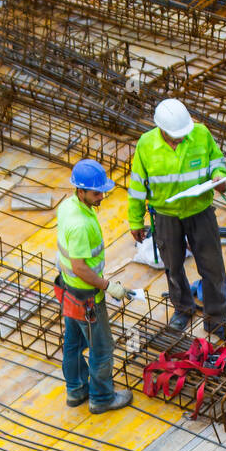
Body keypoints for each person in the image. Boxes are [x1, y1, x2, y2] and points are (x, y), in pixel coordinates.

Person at [128, 99, 226, 346]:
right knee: (173, 265)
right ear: (161, 129)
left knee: (212, 267)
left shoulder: (200, 134)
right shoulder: (146, 145)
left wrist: (219, 176)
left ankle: (216, 320)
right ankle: (183, 309)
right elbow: (137, 185)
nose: (180, 138)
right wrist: (135, 220)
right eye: (174, 135)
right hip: (166, 215)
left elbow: (216, 162)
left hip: (200, 211)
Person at [55, 159, 132, 414]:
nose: (102, 196)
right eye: (97, 192)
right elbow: (80, 267)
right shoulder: (80, 225)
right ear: (81, 191)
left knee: (74, 342)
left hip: (69, 290)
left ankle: (76, 391)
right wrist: (107, 285)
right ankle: (101, 398)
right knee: (101, 348)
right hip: (87, 294)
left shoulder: (68, 206)